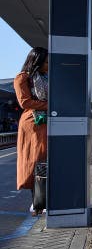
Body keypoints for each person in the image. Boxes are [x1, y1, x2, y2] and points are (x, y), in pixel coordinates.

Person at [13, 47, 48, 215]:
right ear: (37, 62)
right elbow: (25, 102)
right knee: (35, 161)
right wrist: (51, 105)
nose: (49, 65)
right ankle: (37, 202)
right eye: (46, 62)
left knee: (47, 161)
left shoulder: (46, 77)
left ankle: (44, 201)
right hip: (33, 123)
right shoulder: (22, 78)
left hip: (49, 122)